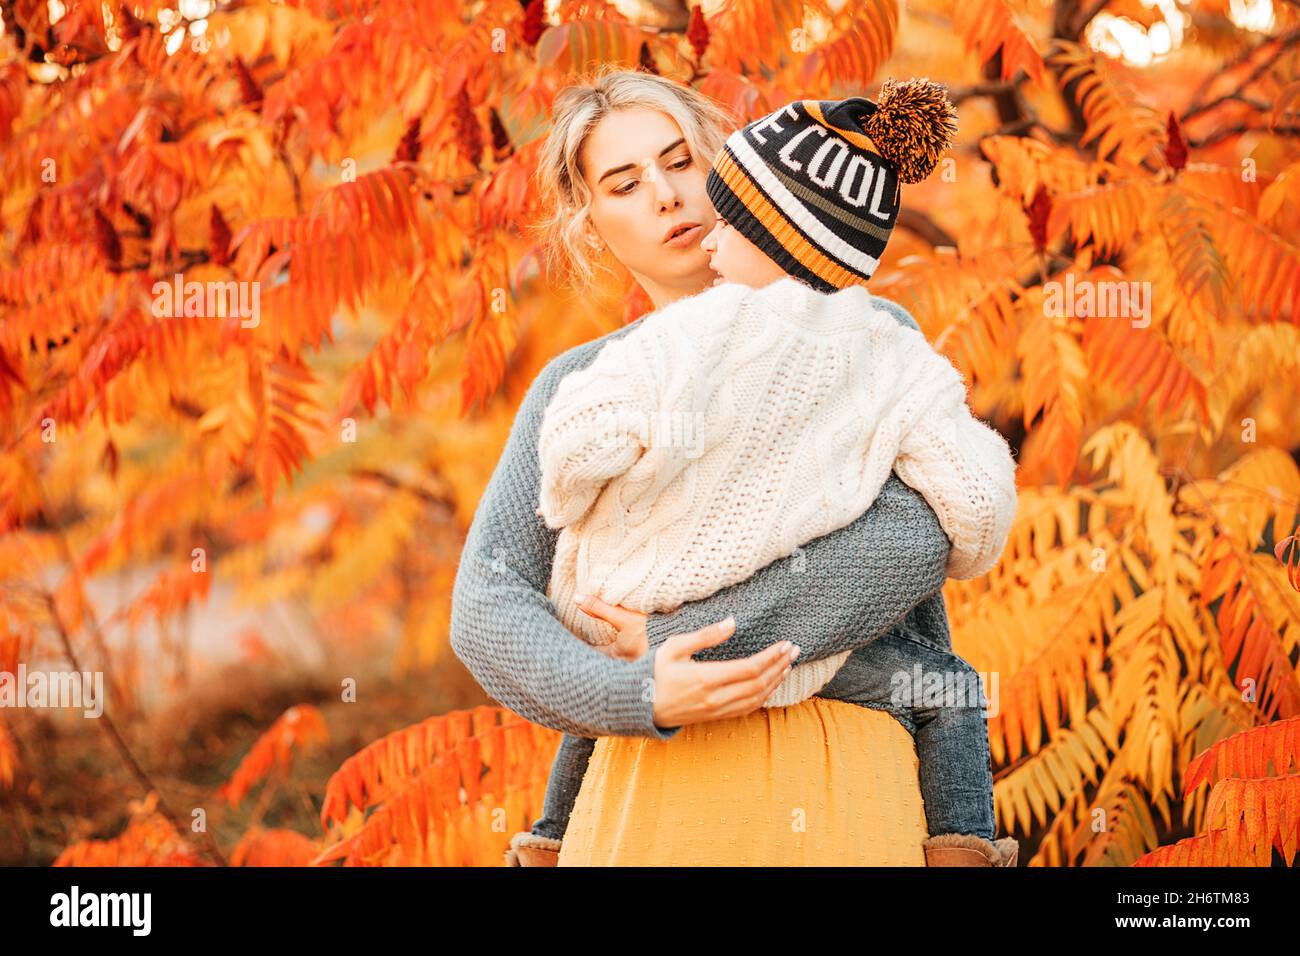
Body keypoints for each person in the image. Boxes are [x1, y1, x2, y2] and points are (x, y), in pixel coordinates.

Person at [449, 67, 1011, 867]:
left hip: (841, 773)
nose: (667, 196)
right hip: (648, 789)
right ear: (591, 222)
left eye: (681, 162)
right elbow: (486, 606)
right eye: (624, 183)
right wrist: (641, 692)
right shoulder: (580, 387)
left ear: (725, 162)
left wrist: (674, 640)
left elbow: (910, 541)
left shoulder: (864, 337)